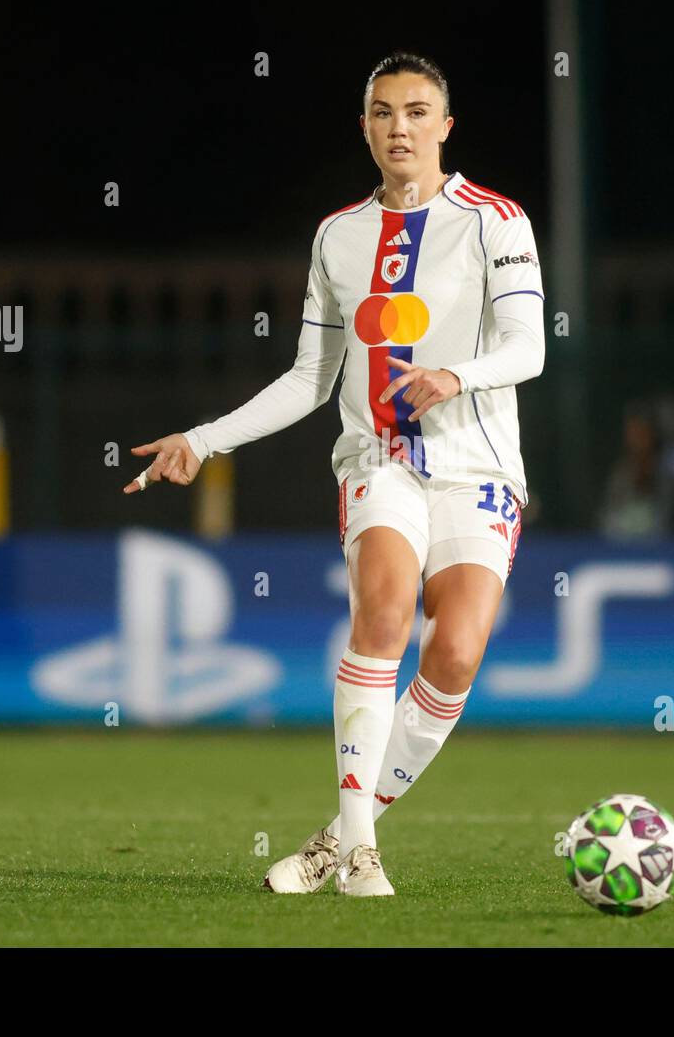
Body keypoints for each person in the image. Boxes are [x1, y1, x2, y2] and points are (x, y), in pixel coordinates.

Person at [122, 52, 545, 897]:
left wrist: (454, 376)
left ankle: (338, 835)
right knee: (383, 610)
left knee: (456, 653)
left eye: (418, 112)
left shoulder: (496, 221)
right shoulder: (339, 235)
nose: (401, 127)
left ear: (446, 126)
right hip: (379, 458)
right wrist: (204, 441)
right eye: (384, 112)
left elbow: (529, 347)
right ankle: (360, 855)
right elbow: (310, 379)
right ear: (364, 127)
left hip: (476, 463)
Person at [596, 395, 674, 540]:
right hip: (635, 553)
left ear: (654, 434)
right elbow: (608, 520)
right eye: (630, 433)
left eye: (640, 432)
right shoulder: (623, 472)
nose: (634, 440)